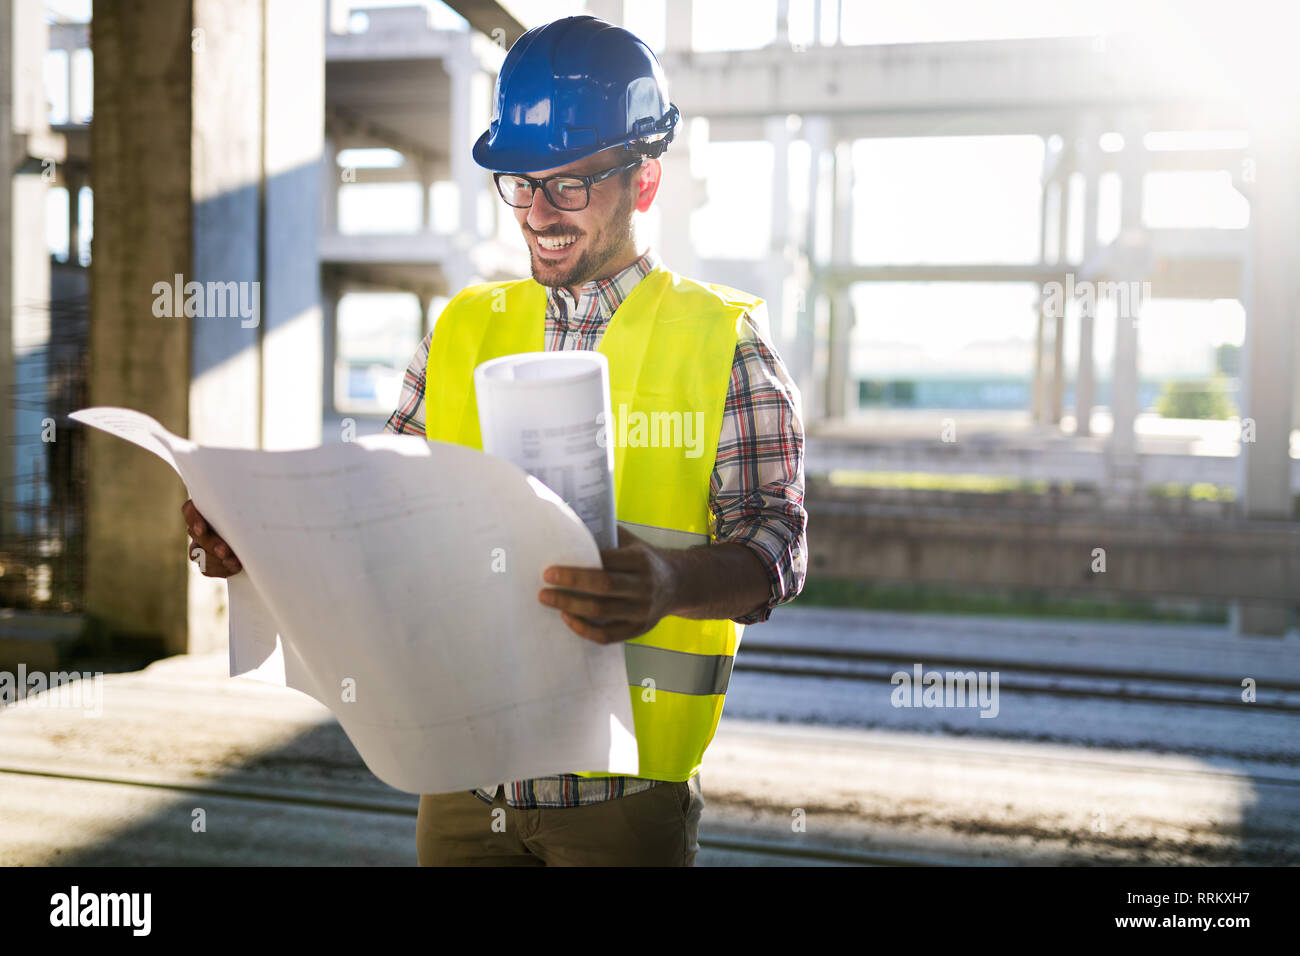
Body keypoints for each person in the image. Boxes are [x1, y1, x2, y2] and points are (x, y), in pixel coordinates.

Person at [183, 14, 807, 867]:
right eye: (522, 182)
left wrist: (666, 581)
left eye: (571, 185)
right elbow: (375, 513)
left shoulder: (723, 342)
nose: (540, 213)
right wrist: (255, 538)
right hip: (464, 784)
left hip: (624, 801)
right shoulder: (464, 329)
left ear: (646, 182)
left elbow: (777, 547)